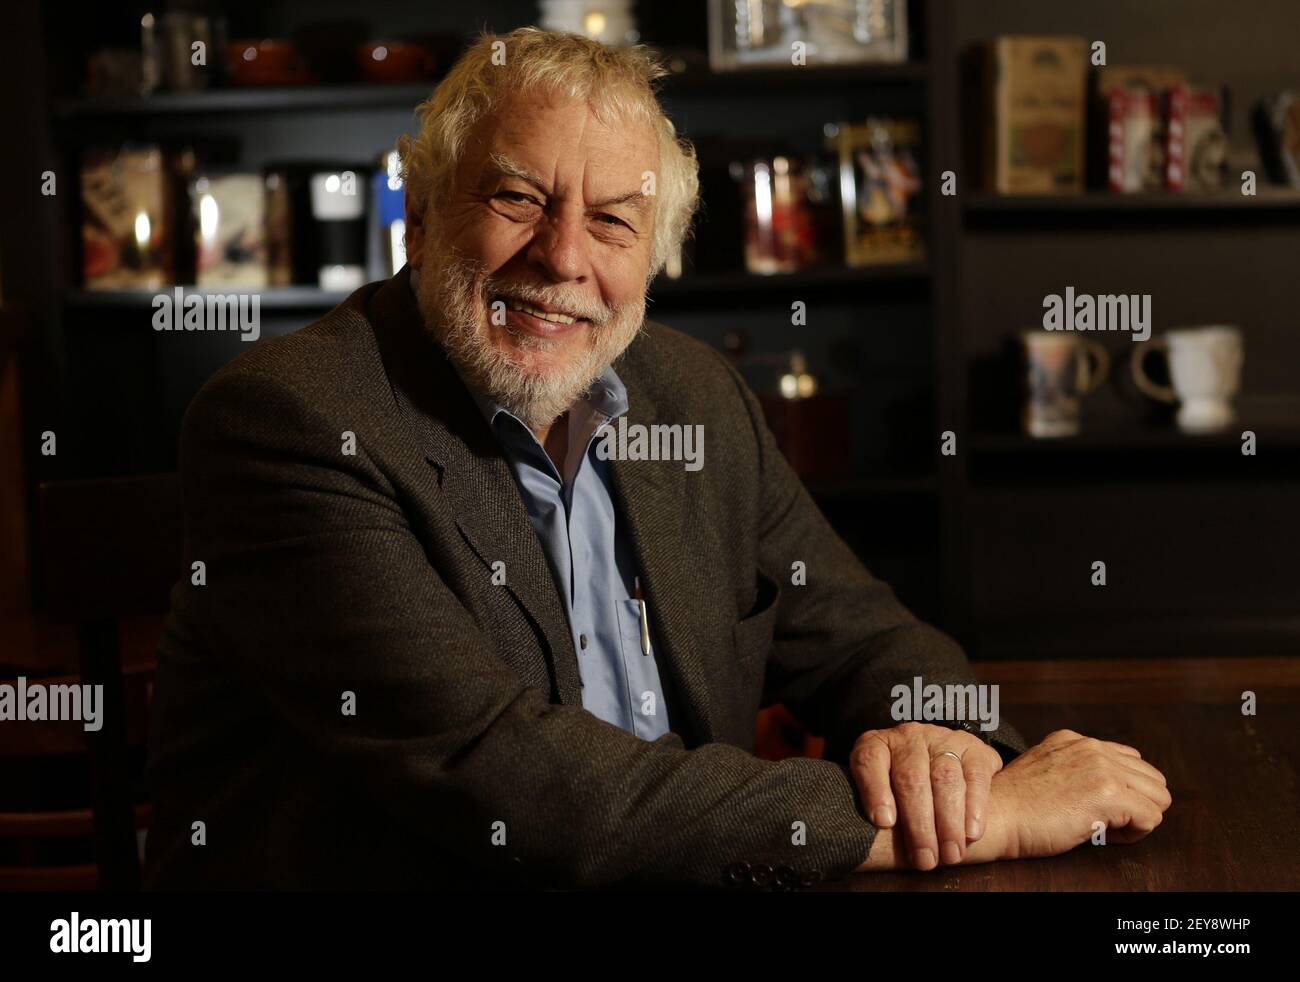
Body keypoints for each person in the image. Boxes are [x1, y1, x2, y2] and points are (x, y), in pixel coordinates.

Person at [145, 28, 1171, 891]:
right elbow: (505, 772)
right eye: (516, 198)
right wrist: (966, 824)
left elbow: (863, 639)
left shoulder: (693, 397)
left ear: (655, 254)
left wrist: (943, 753)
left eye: (613, 221)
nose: (562, 257)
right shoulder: (288, 419)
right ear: (421, 208)